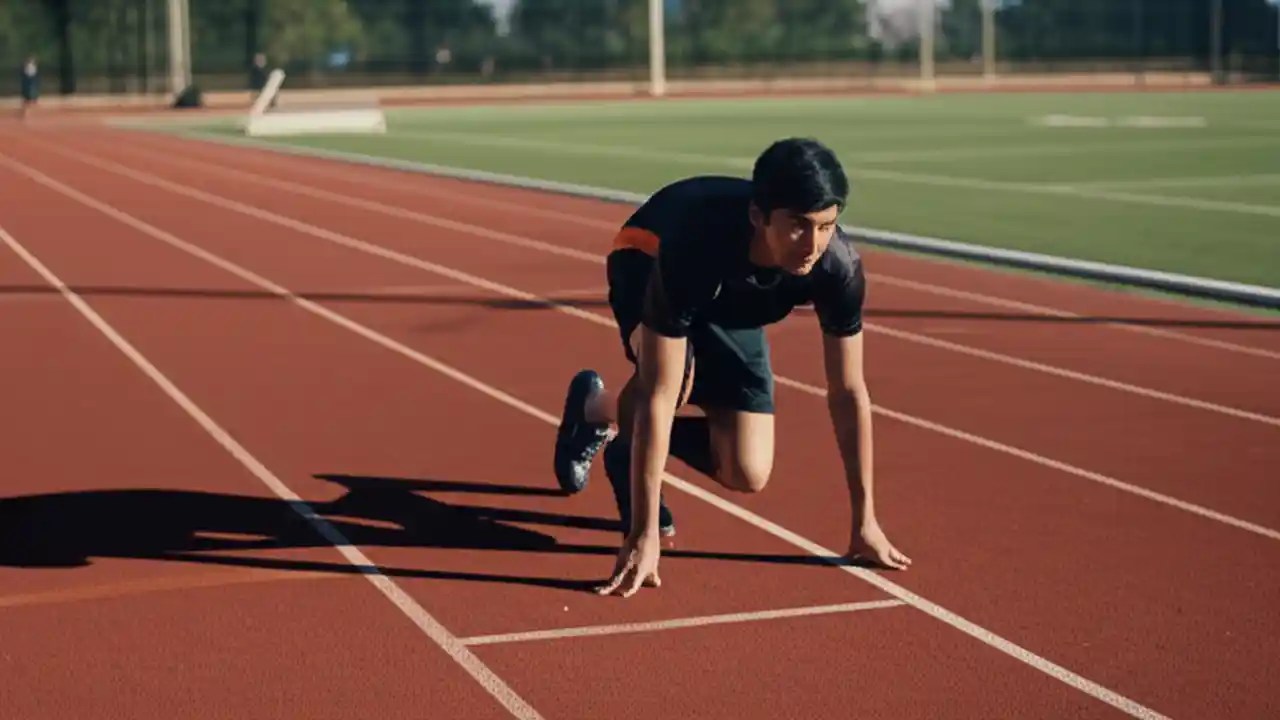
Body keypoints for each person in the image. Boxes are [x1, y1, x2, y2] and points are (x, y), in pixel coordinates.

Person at [553, 137, 912, 599]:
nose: (813, 243)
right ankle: (611, 423)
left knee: (747, 469)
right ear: (758, 216)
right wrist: (642, 533)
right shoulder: (695, 244)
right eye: (799, 226)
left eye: (827, 225)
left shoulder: (836, 267)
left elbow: (848, 391)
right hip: (647, 258)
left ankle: (599, 417)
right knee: (672, 381)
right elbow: (659, 393)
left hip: (733, 301)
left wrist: (865, 522)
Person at [18, 56, 39, 122]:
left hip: (31, 79)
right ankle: (28, 102)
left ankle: (31, 101)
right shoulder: (29, 66)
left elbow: (33, 73)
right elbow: (28, 73)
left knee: (31, 90)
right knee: (29, 91)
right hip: (28, 79)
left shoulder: (32, 66)